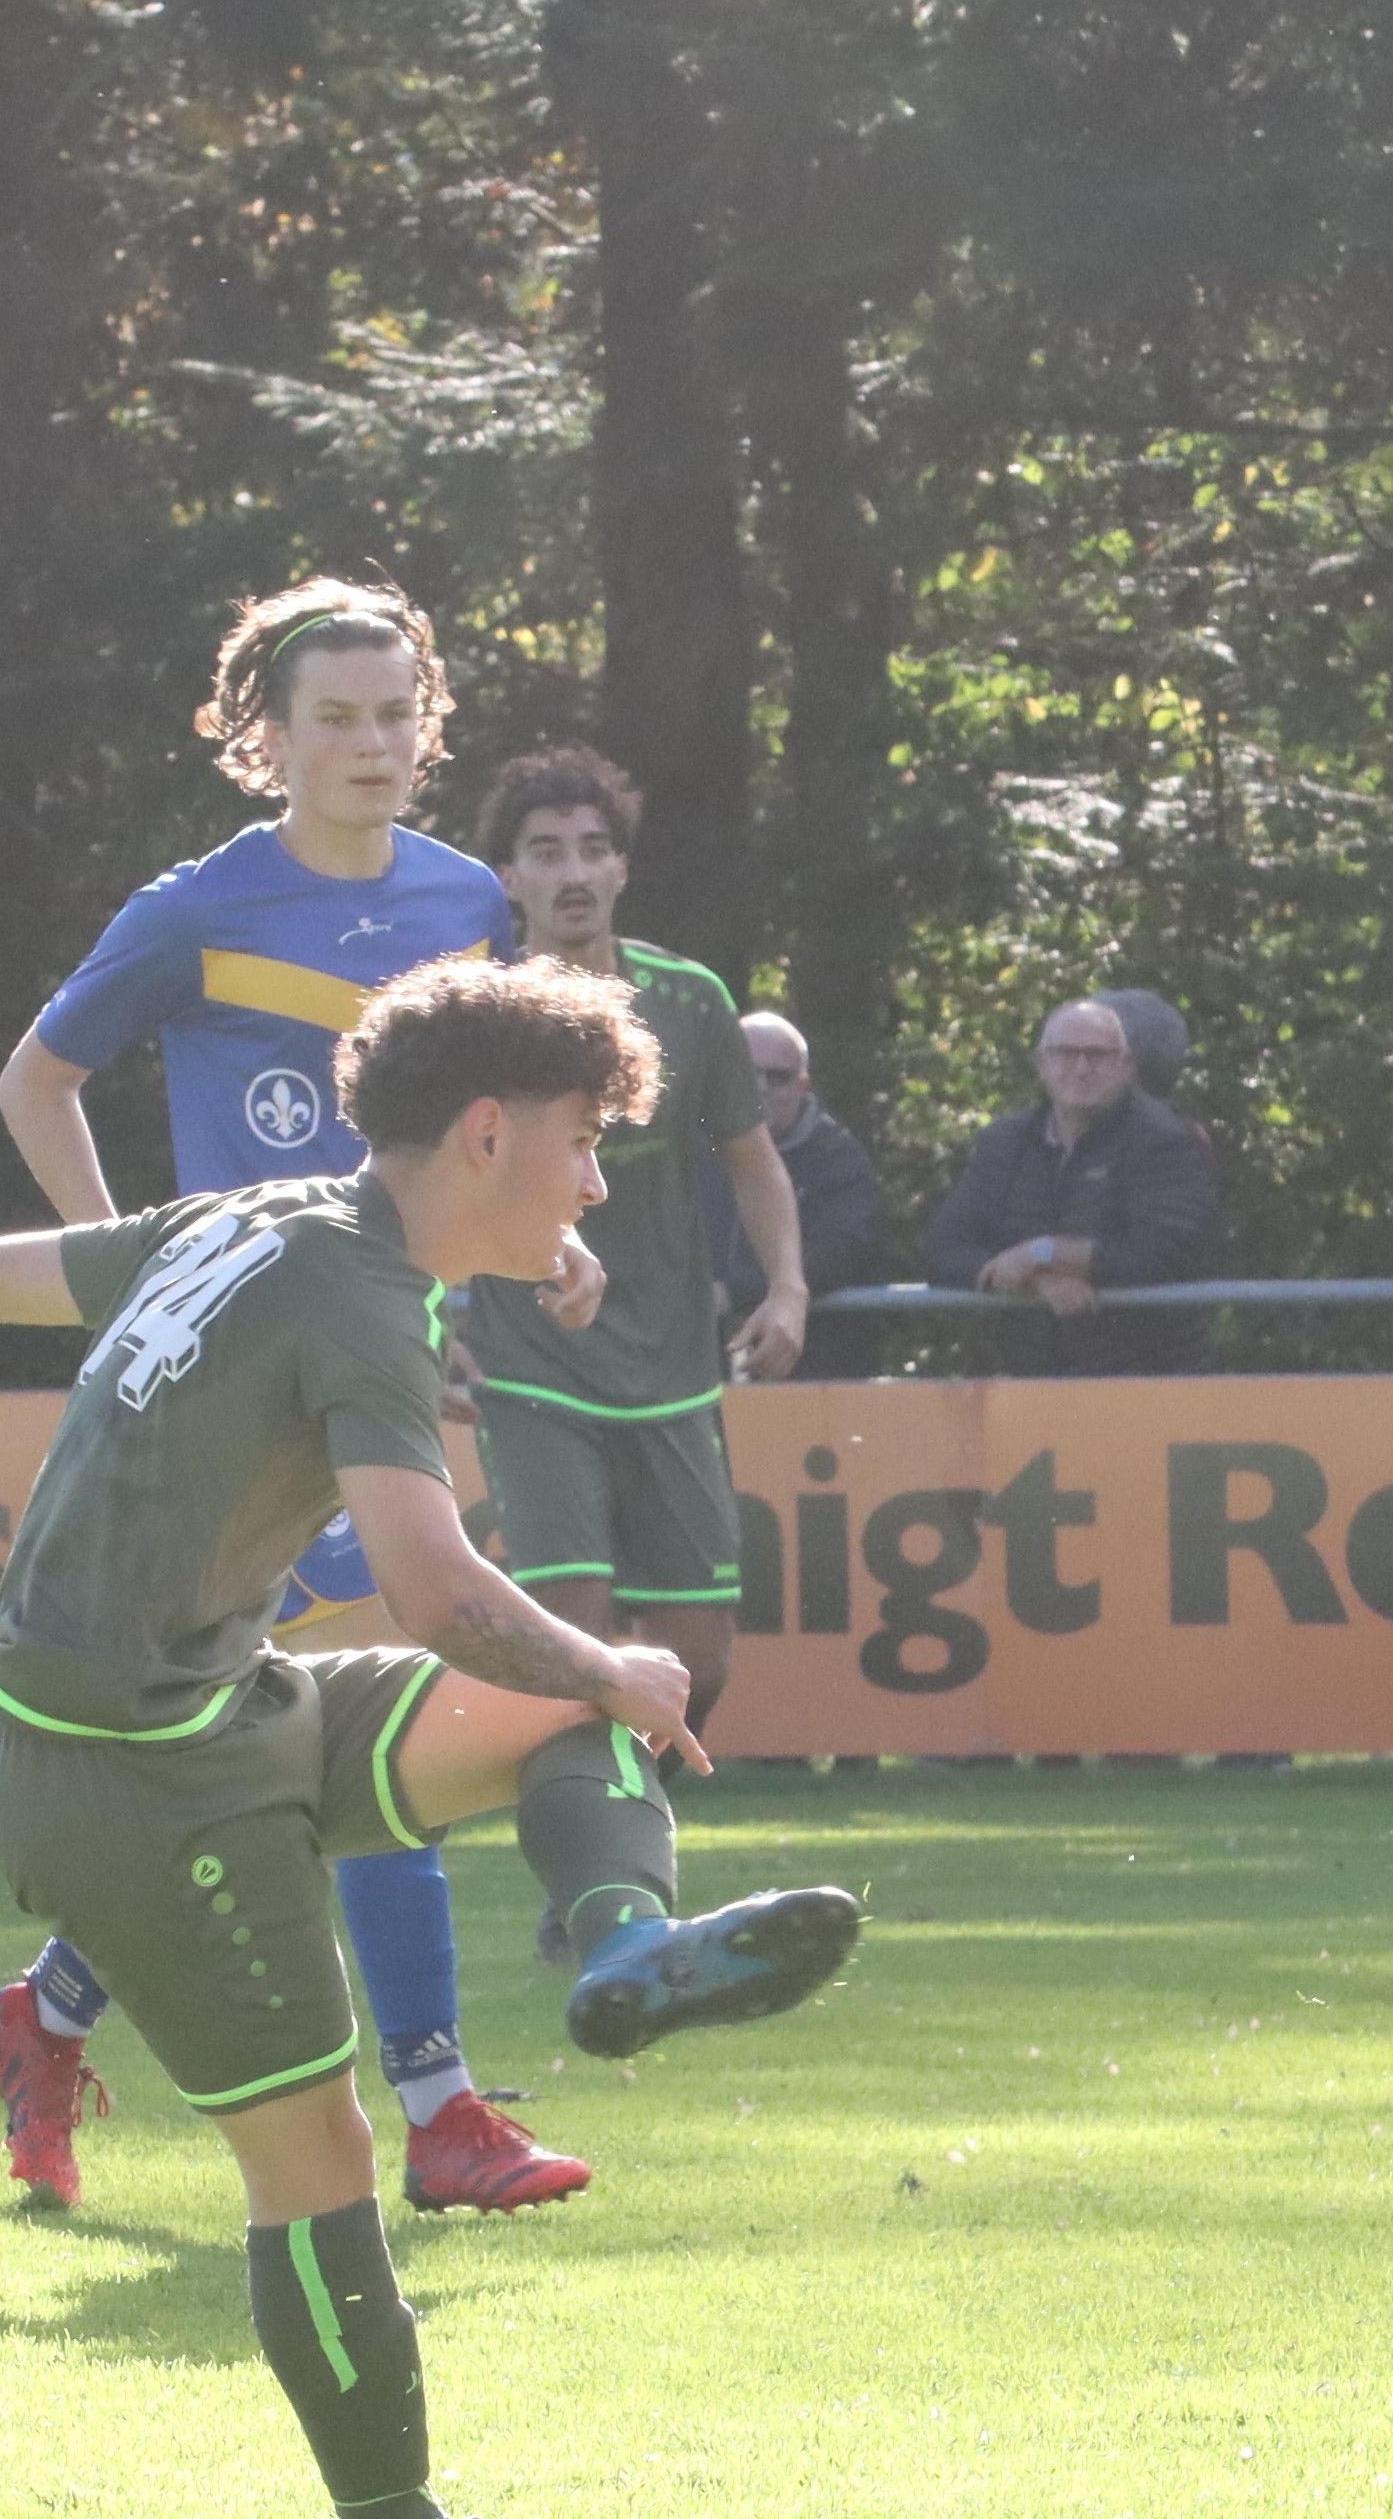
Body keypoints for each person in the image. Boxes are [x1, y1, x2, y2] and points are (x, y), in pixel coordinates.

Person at [0, 955, 865, 2519]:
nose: (597, 1184)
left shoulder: (266, 1220)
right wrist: (613, 1656)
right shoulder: (361, 1302)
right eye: (585, 1146)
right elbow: (433, 1590)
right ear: (491, 1131)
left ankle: (622, 1951)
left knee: (559, 1729)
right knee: (323, 2161)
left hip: (227, 1705)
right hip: (136, 1781)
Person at [0, 577, 585, 2220]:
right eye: (336, 716)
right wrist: (124, 1272)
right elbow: (37, 1075)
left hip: (379, 1353)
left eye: (397, 712)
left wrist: (545, 1244)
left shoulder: (464, 897)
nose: (372, 743)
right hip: (242, 1389)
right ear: (268, 736)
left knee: (263, 1745)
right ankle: (444, 2105)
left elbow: (493, 1125)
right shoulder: (192, 909)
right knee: (353, 1720)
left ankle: (49, 2009)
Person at [460, 745, 802, 1767]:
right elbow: (417, 1180)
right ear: (509, 878)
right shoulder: (471, 1007)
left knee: (700, 1651)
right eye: (546, 852)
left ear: (621, 870)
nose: (572, 871)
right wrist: (425, 1318)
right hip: (528, 1364)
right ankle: (588, 1858)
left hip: (670, 1367)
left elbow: (753, 1162)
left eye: (593, 849)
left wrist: (786, 1286)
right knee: (569, 1612)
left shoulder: (688, 999)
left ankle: (626, 1820)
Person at [920, 996, 1228, 1374]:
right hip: (1028, 1387)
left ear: (1126, 1065)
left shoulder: (1166, 1140)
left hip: (1150, 1384)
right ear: (1041, 1065)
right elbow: (945, 1247)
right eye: (1066, 1053)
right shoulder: (1004, 1143)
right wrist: (1036, 1283)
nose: (1081, 1068)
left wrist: (1042, 1252)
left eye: (1097, 1055)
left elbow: (1163, 1253)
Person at [712, 1009, 894, 1378]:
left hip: (814, 1371)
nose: (761, 1087)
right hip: (697, 1372)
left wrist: (736, 1289)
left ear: (802, 1084)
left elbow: (847, 1249)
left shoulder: (840, 1157)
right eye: (748, 1074)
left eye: (777, 1076)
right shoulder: (691, 1149)